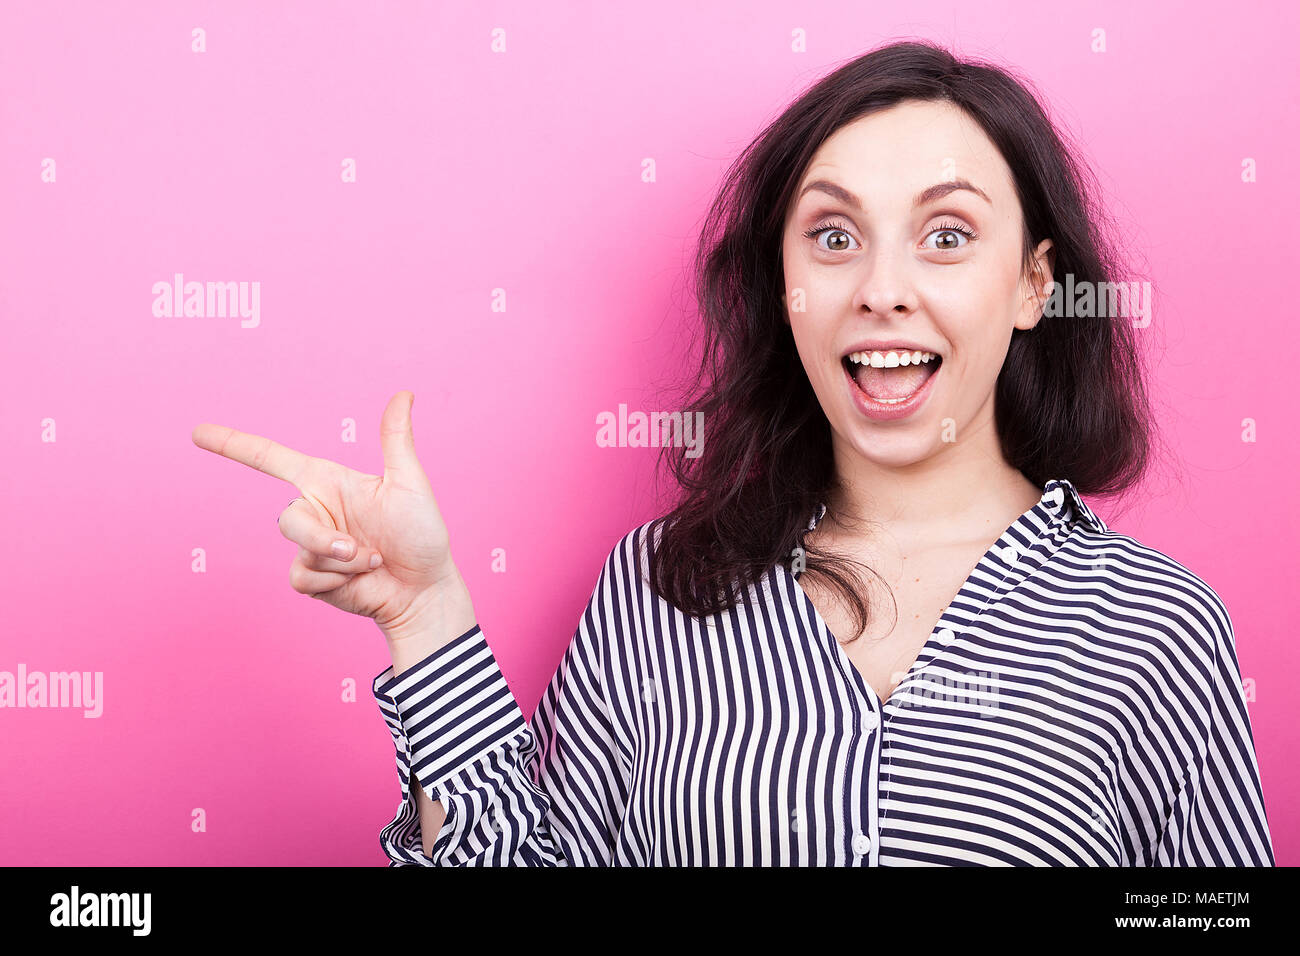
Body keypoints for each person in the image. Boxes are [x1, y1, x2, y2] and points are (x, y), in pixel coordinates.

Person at [192, 40, 1274, 866]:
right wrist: (421, 613)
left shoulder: (1153, 627)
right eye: (833, 234)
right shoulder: (659, 587)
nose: (880, 287)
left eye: (945, 235)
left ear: (1035, 283)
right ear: (784, 284)